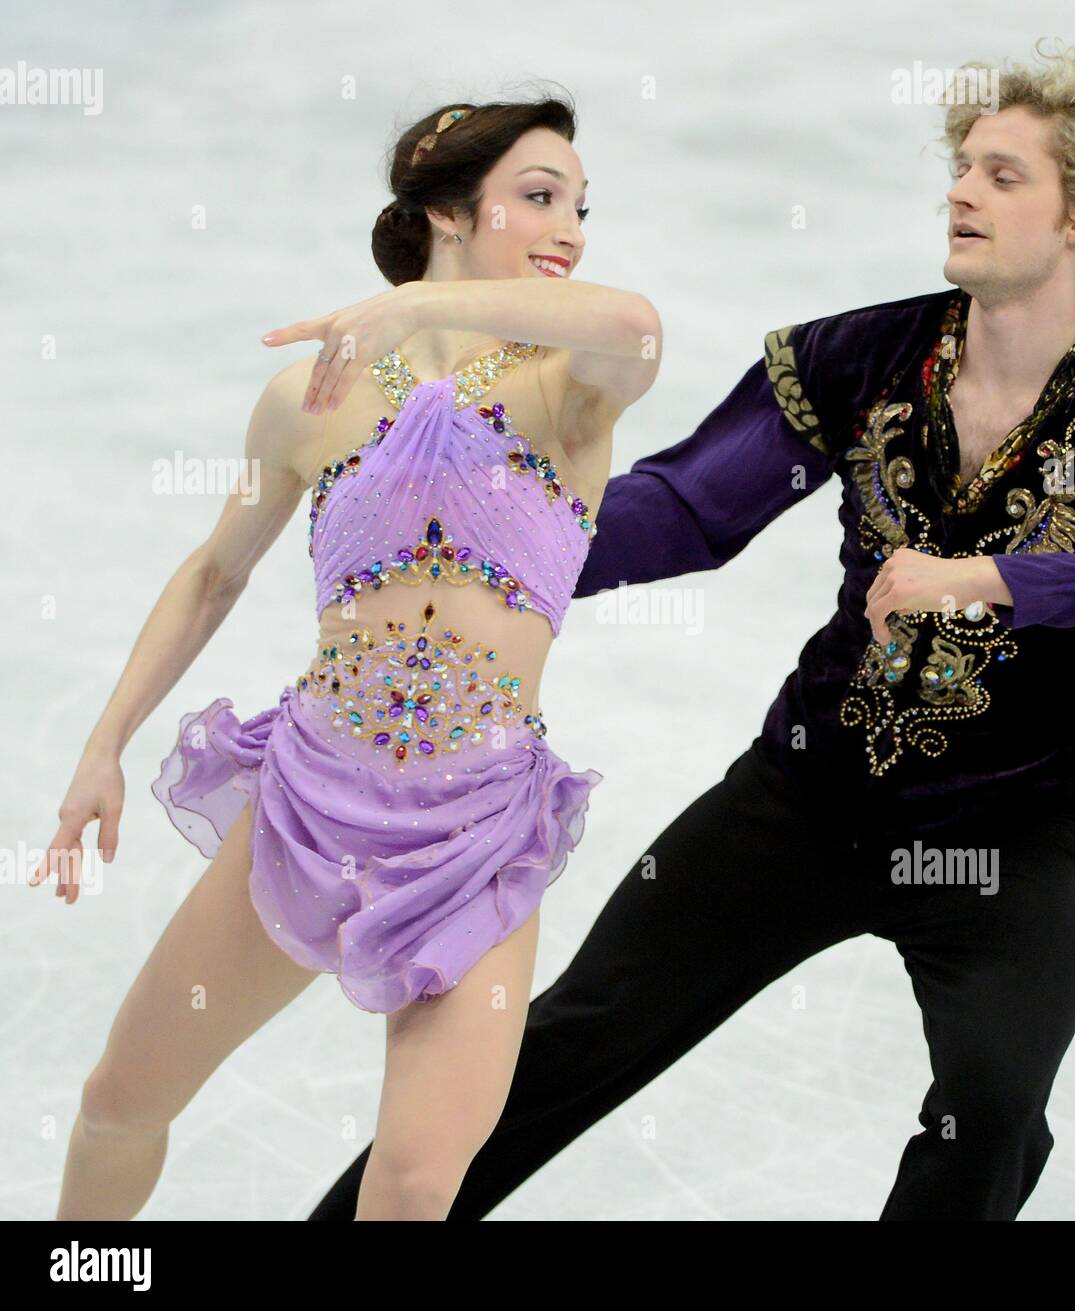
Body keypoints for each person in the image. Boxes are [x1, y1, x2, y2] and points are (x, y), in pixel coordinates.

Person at [306, 43, 1075, 1221]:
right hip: (803, 803)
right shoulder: (864, 356)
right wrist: (485, 544)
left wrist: (989, 581)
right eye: (961, 167)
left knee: (995, 1103)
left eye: (1003, 176)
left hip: (1004, 839)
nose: (960, 190)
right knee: (568, 1043)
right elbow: (693, 506)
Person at [33, 93, 662, 1221]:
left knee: (418, 1181)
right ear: (445, 209)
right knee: (120, 1099)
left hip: (474, 831)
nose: (569, 226)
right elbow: (212, 573)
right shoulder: (311, 399)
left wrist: (418, 298)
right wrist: (104, 743)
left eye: (579, 205)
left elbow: (639, 328)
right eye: (537, 197)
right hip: (308, 803)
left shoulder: (568, 390)